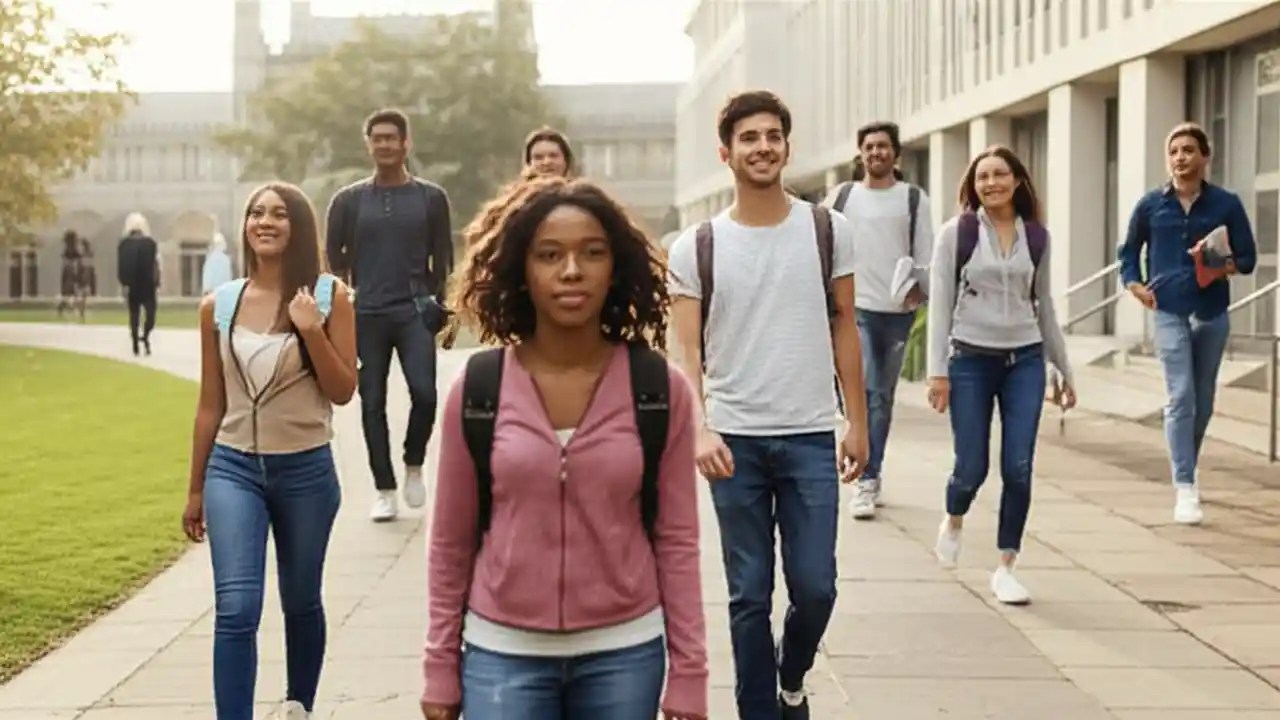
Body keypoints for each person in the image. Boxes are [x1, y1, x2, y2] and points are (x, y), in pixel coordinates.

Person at [421, 176, 707, 720]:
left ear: (614, 268)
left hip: (625, 654)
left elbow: (677, 540)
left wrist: (690, 672)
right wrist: (439, 663)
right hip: (502, 656)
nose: (571, 271)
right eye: (550, 255)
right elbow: (450, 542)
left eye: (591, 254)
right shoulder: (478, 389)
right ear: (523, 272)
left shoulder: (658, 388)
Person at [667, 90, 868, 720]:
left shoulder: (828, 230)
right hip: (734, 440)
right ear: (726, 153)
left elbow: (845, 329)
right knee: (748, 594)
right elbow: (686, 349)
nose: (763, 147)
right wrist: (698, 427)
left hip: (810, 433)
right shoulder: (696, 245)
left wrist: (857, 424)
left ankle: (792, 677)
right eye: (749, 138)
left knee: (815, 587)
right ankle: (758, 710)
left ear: (787, 145)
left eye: (772, 136)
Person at [184, 182, 356, 720]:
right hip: (233, 470)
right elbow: (210, 405)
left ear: (298, 226)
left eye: (279, 214)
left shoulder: (330, 297)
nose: (265, 221)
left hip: (306, 469)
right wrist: (195, 489)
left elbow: (343, 389)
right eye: (257, 213)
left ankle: (298, 704)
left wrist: (311, 330)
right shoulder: (219, 304)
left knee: (301, 599)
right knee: (236, 607)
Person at [926, 145, 1076, 605]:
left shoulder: (1037, 236)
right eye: (982, 176)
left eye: (1000, 174)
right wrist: (937, 373)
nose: (991, 183)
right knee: (971, 467)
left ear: (1016, 181)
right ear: (972, 185)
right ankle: (954, 516)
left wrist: (1063, 368)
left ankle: (1006, 564)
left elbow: (1044, 304)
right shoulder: (958, 233)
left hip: (1025, 361)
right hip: (970, 359)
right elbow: (940, 301)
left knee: (1019, 465)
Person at [1117, 122, 1256, 525]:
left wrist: (1217, 260)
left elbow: (1247, 259)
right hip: (1168, 309)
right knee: (1180, 395)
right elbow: (1128, 253)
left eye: (1189, 150)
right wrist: (1133, 283)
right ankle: (1185, 486)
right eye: (1174, 150)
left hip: (1212, 312)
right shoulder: (1150, 205)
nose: (1181, 157)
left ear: (1204, 157)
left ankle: (1187, 467)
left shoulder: (1226, 204)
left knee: (1204, 399)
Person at [325, 108, 453, 522]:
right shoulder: (348, 201)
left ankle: (414, 462)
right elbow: (334, 257)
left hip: (413, 310)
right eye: (377, 138)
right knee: (371, 403)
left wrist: (439, 305)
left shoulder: (430, 198)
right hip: (368, 314)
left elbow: (443, 259)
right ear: (369, 144)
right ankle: (384, 488)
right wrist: (346, 300)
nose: (384, 144)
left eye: (391, 138)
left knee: (426, 395)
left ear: (405, 143)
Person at [823, 120, 934, 520]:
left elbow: (926, 256)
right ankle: (864, 478)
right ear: (861, 154)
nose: (876, 153)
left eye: (883, 146)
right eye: (868, 147)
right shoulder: (843, 196)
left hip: (897, 312)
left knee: (882, 397)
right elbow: (818, 239)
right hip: (856, 308)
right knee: (867, 390)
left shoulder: (913, 199)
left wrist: (920, 292)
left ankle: (873, 470)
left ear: (895, 154)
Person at [117, 212, 160, 355]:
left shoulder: (124, 245)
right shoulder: (150, 244)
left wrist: (123, 284)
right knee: (150, 315)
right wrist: (157, 282)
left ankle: (136, 342)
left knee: (134, 316)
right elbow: (155, 264)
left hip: (132, 285)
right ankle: (145, 336)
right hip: (148, 285)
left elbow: (121, 266)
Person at [57, 230, 86, 321]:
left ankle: (65, 308)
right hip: (73, 274)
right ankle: (79, 312)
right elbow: (76, 261)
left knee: (71, 294)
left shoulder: (69, 251)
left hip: (72, 274)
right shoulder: (72, 251)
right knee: (75, 294)